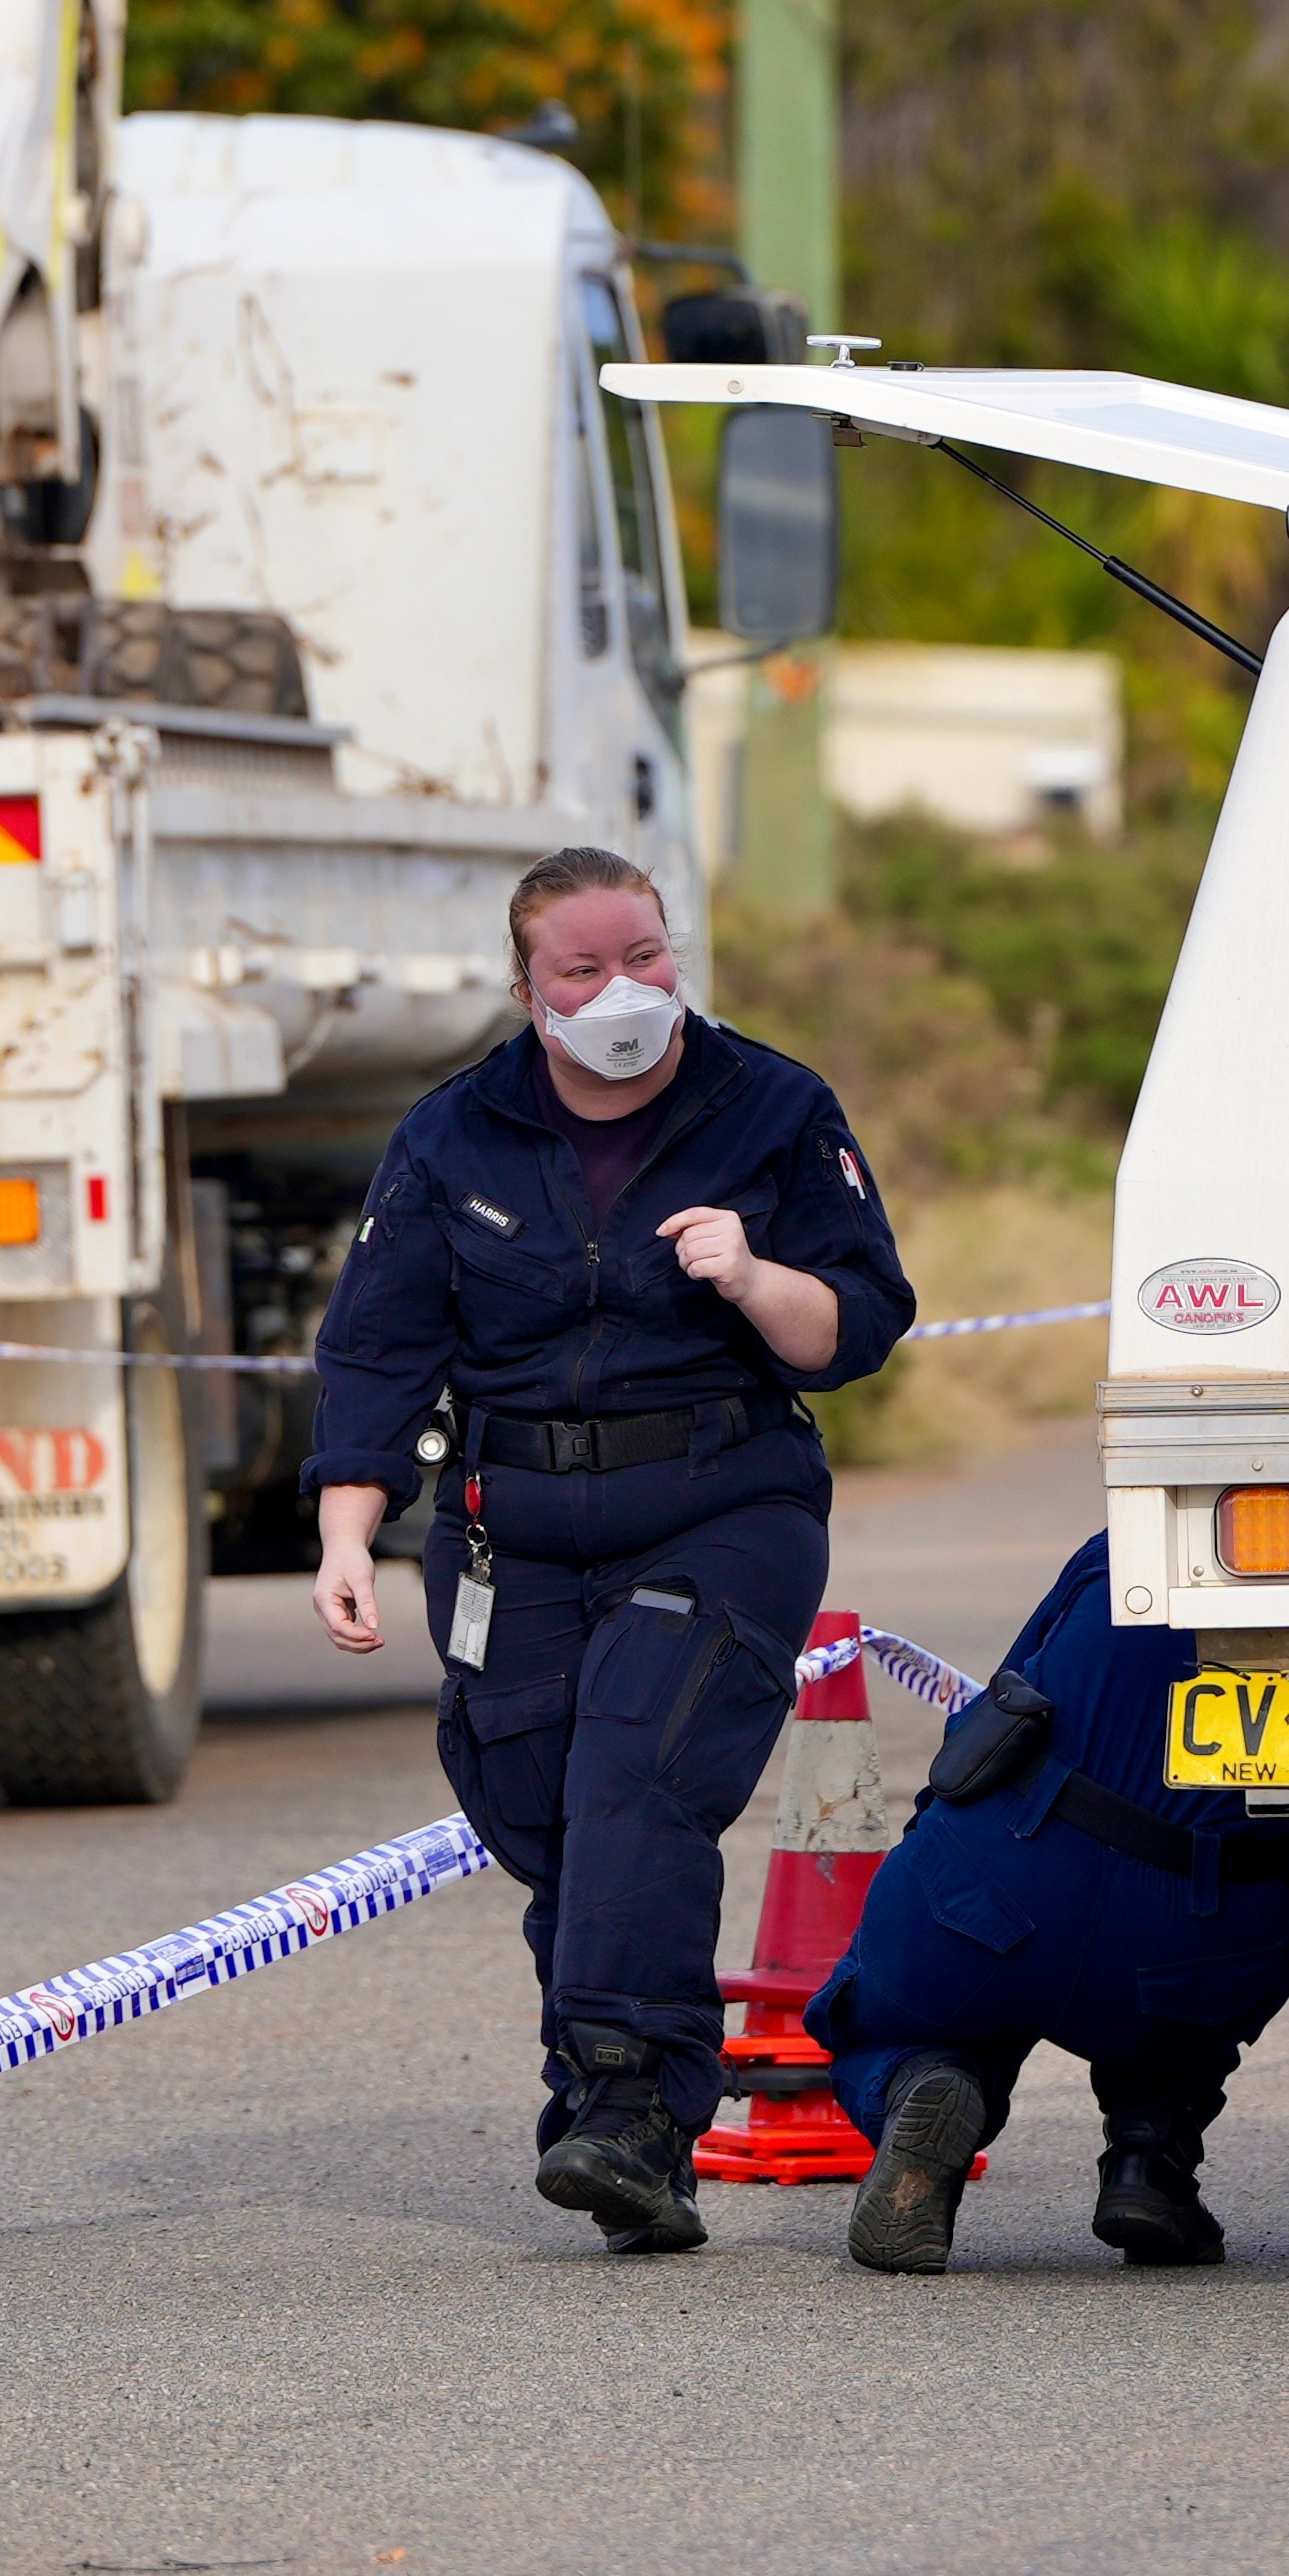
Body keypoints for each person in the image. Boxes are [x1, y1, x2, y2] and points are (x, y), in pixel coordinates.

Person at [305, 847, 913, 2254]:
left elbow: (860, 1327)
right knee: (549, 1815)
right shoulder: (452, 1135)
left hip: (719, 1508)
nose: (621, 987)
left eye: (644, 954)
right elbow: (378, 1349)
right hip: (508, 1532)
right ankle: (602, 2104)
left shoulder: (772, 1107)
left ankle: (636, 2108)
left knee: (637, 1769)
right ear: (528, 990)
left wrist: (757, 1276)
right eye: (583, 968)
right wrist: (350, 1528)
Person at [810, 1529, 1289, 2274]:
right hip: (1190, 1940)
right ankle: (1150, 2164)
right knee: (1184, 2022)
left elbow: (994, 1710)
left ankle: (923, 2080)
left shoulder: (1129, 1546)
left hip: (991, 1889)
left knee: (890, 2020)